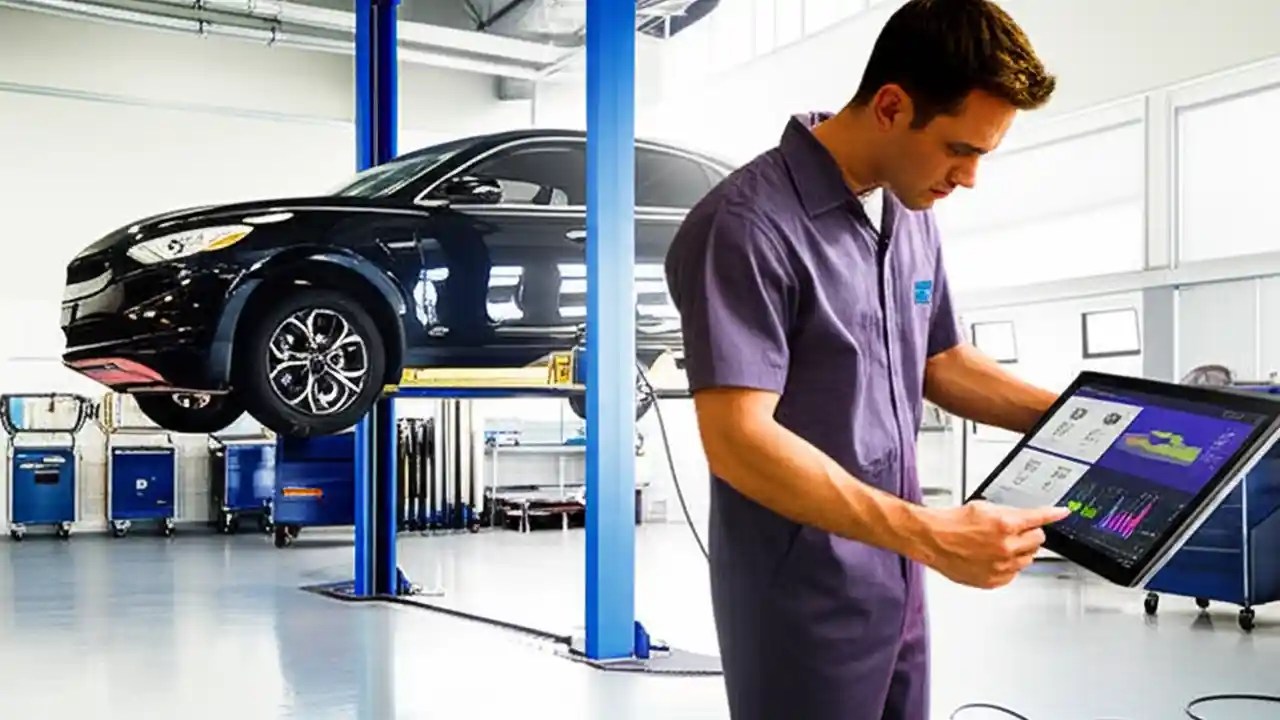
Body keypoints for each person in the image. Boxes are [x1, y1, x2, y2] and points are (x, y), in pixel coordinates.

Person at [662, 1, 1073, 718]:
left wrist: (1085, 421)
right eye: (960, 149)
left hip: (900, 576)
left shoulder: (909, 211)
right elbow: (736, 439)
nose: (968, 178)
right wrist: (934, 534)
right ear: (891, 106)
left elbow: (940, 361)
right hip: (801, 594)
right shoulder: (747, 226)